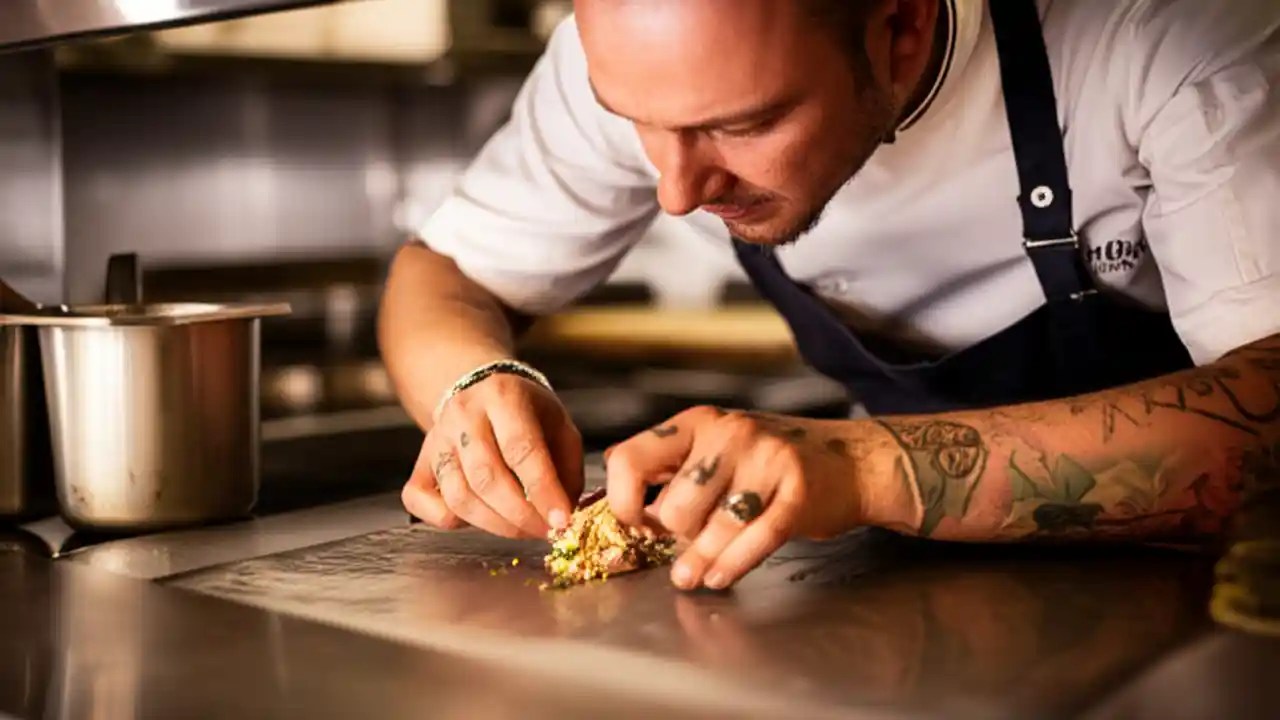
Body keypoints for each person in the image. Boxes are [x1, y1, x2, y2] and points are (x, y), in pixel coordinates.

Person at [379, 0, 1280, 590]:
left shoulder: (1172, 38)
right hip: (908, 597)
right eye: (637, 126)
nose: (677, 193)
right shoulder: (630, 53)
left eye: (742, 125)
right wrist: (473, 381)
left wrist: (864, 466)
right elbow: (442, 276)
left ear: (902, 29)